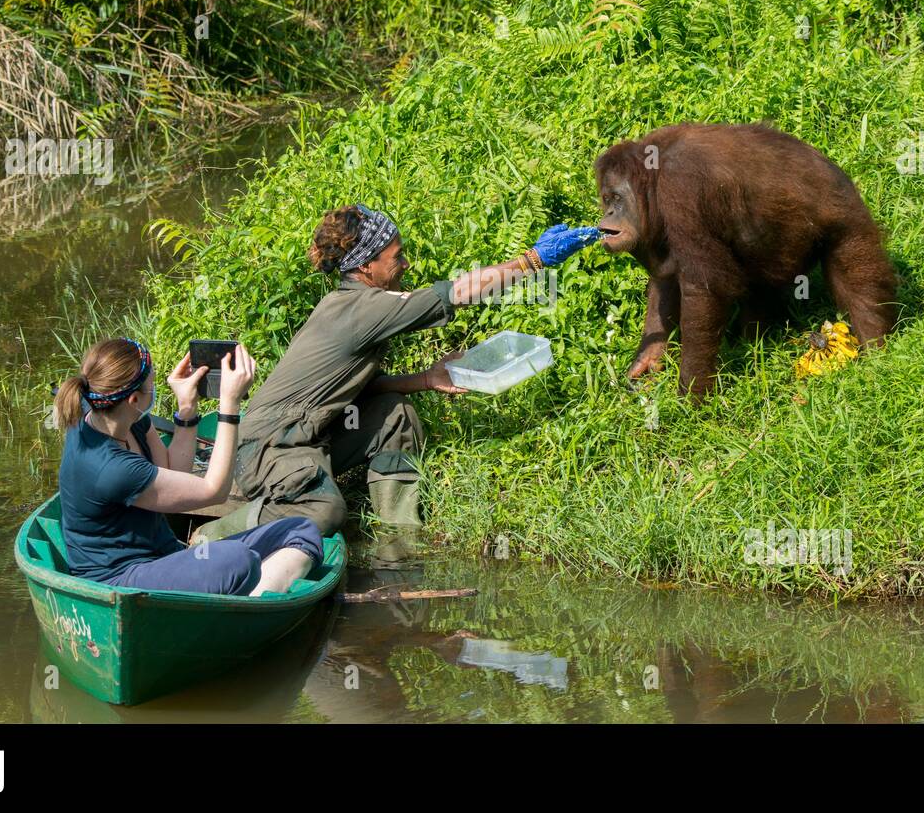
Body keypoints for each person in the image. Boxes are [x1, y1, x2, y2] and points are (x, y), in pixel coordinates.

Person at [193, 205, 600, 544]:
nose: (406, 263)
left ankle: (398, 537)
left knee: (395, 416)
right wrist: (532, 261)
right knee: (327, 510)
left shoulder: (358, 303)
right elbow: (458, 292)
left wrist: (424, 379)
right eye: (398, 255)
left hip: (311, 436)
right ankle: (212, 537)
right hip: (269, 447)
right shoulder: (367, 308)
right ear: (368, 265)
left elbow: (352, 387)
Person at [53, 337, 323, 596]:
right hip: (117, 580)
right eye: (152, 384)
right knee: (237, 559)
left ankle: (244, 593)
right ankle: (248, 604)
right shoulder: (113, 468)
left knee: (301, 530)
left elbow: (173, 472)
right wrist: (229, 405)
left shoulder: (120, 417)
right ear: (133, 400)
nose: (156, 388)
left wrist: (187, 408)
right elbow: (214, 491)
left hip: (163, 557)